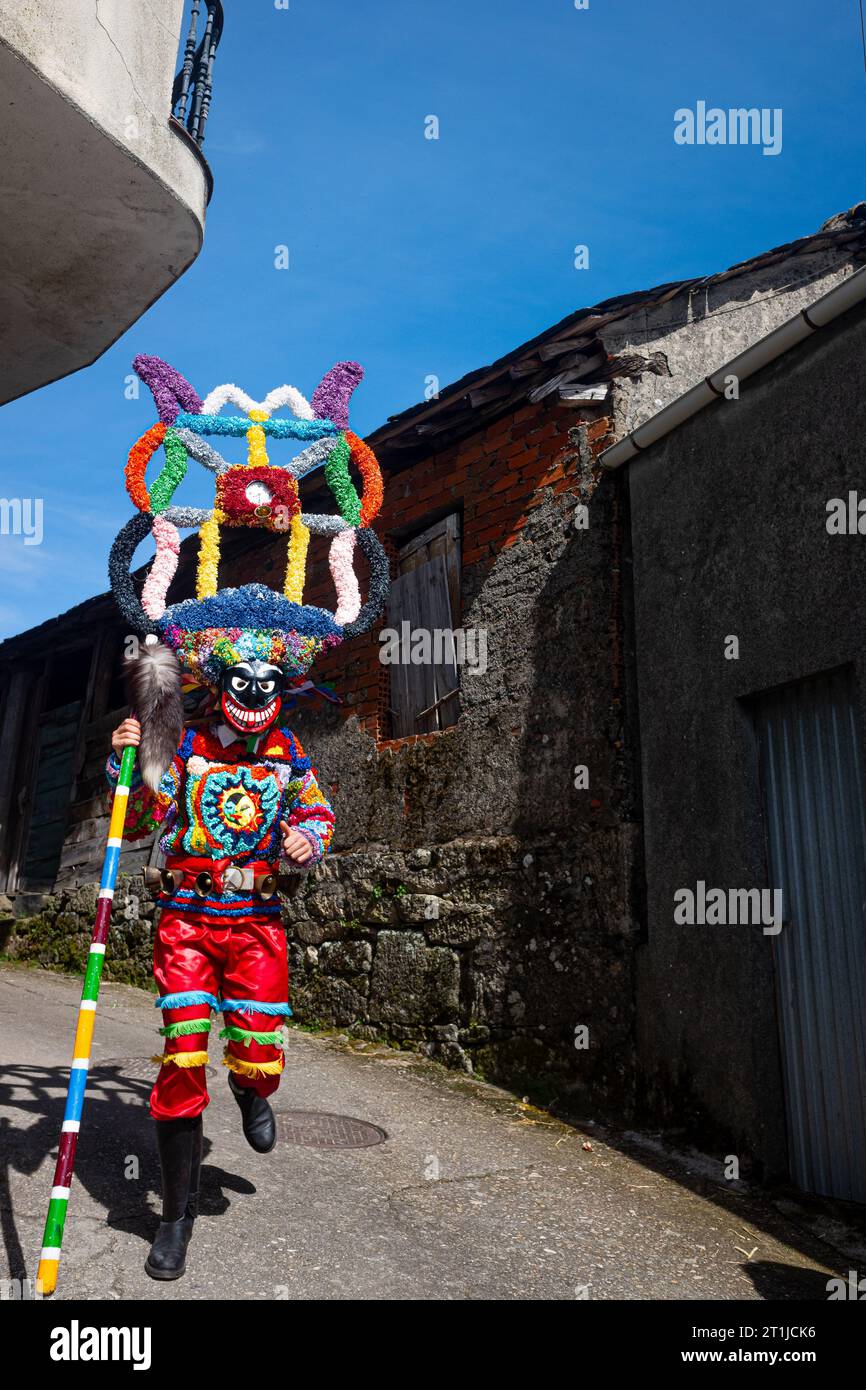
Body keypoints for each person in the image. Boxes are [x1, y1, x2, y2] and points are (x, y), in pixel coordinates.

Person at [107, 658, 334, 1280]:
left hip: (257, 922)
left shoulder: (289, 752)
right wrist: (124, 761)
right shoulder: (184, 746)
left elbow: (318, 814)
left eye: (269, 683)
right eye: (243, 681)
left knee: (259, 1051)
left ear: (282, 690)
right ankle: (174, 1218)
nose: (255, 694)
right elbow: (134, 821)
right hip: (186, 918)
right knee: (183, 1053)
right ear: (220, 685)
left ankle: (247, 1085)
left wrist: (307, 840)